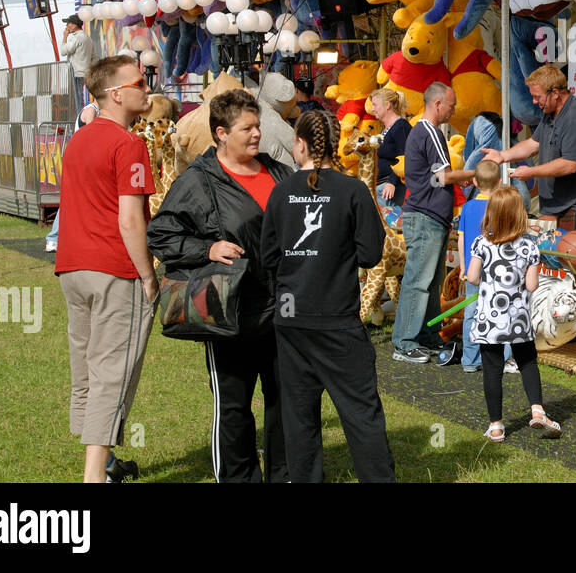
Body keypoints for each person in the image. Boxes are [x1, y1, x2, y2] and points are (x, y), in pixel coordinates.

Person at [147, 89, 291, 482]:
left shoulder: (279, 172)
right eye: (247, 128)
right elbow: (160, 234)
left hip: (282, 310)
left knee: (285, 401)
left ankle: (284, 475)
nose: (256, 134)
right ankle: (238, 477)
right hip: (229, 313)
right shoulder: (199, 180)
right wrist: (206, 248)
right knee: (233, 406)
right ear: (221, 133)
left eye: (258, 125)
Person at [259, 110, 396, 482]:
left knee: (299, 418)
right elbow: (370, 253)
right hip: (337, 321)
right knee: (361, 413)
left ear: (300, 145)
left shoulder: (282, 191)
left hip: (292, 320)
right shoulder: (352, 190)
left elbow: (267, 255)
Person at [54, 55, 157, 483]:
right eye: (139, 81)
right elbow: (130, 219)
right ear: (116, 93)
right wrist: (149, 275)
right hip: (115, 270)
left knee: (87, 369)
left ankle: (107, 463)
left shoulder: (78, 139)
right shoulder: (128, 143)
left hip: (72, 268)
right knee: (111, 376)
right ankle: (95, 475)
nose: (147, 87)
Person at [464, 185, 561, 442]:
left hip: (489, 320)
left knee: (492, 370)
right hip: (517, 317)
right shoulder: (529, 246)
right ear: (520, 215)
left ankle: (496, 426)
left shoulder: (481, 243)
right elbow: (531, 285)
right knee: (527, 363)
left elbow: (472, 277)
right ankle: (538, 410)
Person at [391, 82, 474, 364]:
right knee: (419, 281)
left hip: (428, 215)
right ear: (438, 104)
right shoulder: (431, 132)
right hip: (426, 215)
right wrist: (475, 172)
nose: (453, 110)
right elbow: (444, 176)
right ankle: (404, 342)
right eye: (451, 105)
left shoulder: (422, 131)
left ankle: (424, 336)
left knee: (430, 281)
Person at [482, 65, 576, 232]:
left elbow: (570, 164)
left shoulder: (575, 119)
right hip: (559, 206)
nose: (534, 102)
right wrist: (502, 155)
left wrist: (531, 172)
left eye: (538, 97)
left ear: (555, 93)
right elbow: (533, 144)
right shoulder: (550, 113)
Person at [458, 160, 501, 373]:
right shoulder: (500, 206)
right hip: (496, 271)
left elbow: (461, 238)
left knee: (471, 314)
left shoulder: (467, 207)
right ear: (500, 182)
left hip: (472, 270)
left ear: (474, 181)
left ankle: (470, 359)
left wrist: (463, 267)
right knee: (499, 312)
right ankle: (500, 358)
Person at [45, 99, 99, 254]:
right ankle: (53, 237)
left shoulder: (95, 111)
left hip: (83, 159)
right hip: (82, 161)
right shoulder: (91, 111)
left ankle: (61, 237)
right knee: (72, 198)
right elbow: (92, 134)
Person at [367, 88, 410, 206]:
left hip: (390, 189)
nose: (372, 109)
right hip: (381, 186)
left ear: (387, 105)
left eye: (375, 105)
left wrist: (392, 182)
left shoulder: (401, 126)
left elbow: (405, 158)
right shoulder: (386, 129)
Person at [61, 14, 97, 111]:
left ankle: (81, 118)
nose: (67, 26)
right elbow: (94, 57)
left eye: (68, 23)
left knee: (78, 98)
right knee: (90, 95)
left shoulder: (77, 38)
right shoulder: (87, 37)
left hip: (77, 73)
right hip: (87, 71)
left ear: (74, 25)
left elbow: (64, 51)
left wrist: (65, 37)